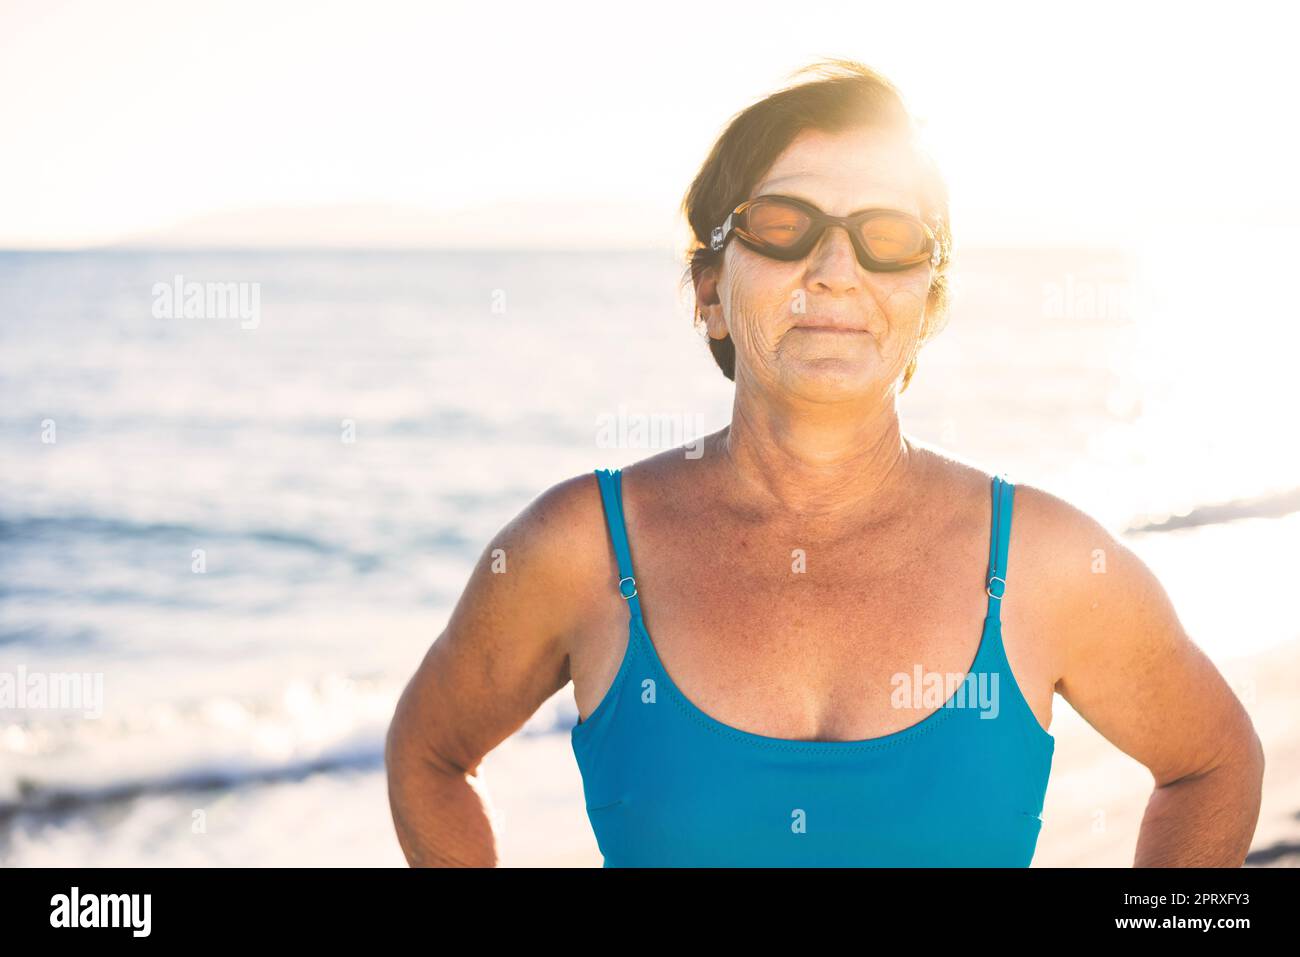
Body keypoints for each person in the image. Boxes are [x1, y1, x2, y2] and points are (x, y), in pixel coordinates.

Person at [385, 59, 1263, 867]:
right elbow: (428, 754)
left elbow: (1213, 761)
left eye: (888, 235)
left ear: (929, 299)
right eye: (783, 224)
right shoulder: (582, 548)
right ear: (709, 291)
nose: (835, 267)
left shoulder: (1046, 563)